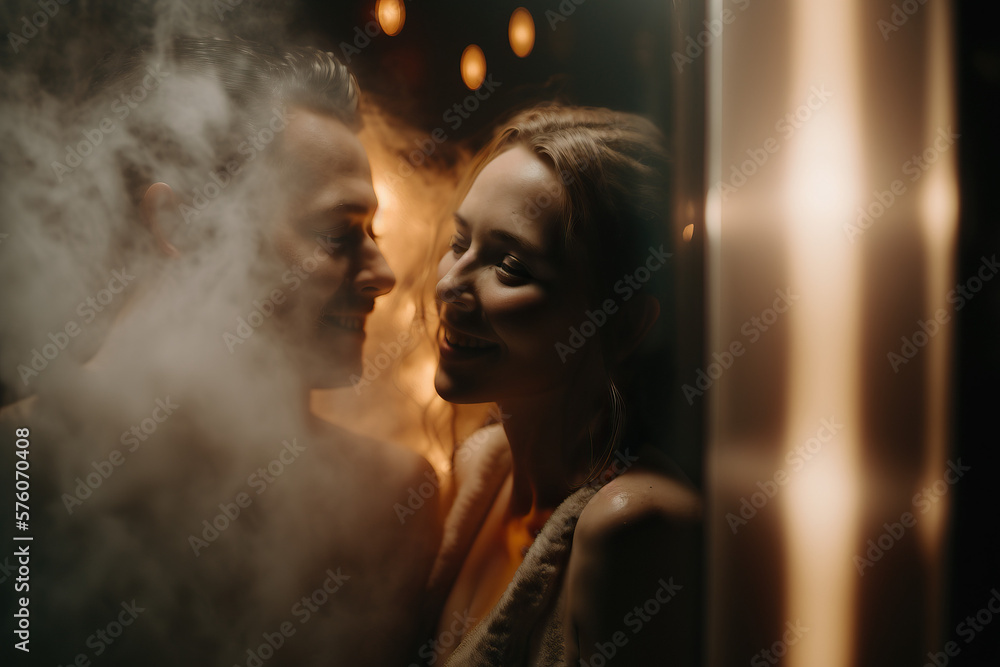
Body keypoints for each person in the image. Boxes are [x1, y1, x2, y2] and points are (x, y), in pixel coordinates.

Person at [1, 36, 439, 666]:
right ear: (184, 223)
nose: (384, 274)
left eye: (373, 232)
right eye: (337, 232)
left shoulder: (388, 501)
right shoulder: (20, 461)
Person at [423, 105, 702, 666]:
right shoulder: (483, 471)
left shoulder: (632, 525)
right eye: (459, 242)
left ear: (623, 326)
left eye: (510, 266)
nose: (450, 284)